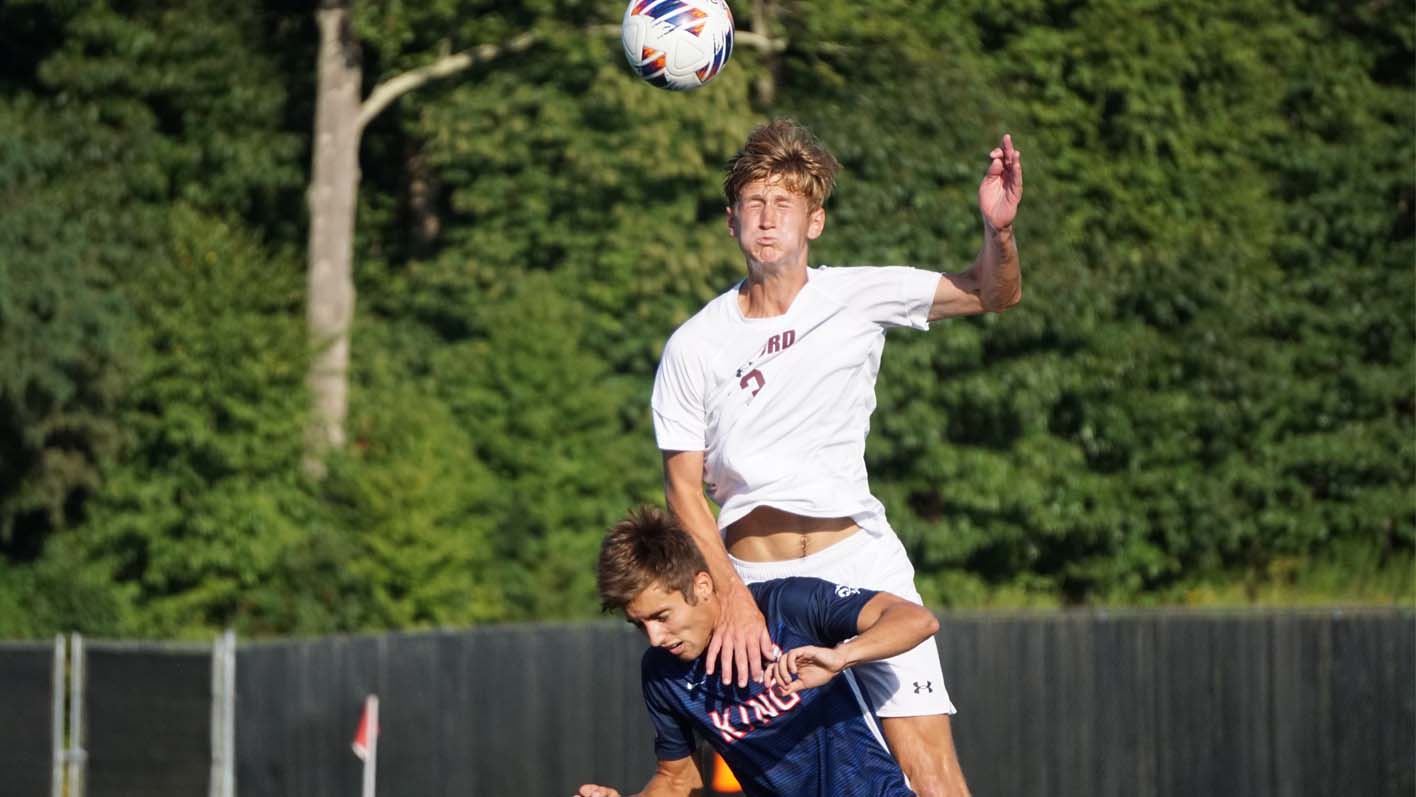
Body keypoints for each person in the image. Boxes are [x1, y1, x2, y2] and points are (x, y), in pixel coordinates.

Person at [650, 119, 1023, 797]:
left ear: (814, 221)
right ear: (732, 219)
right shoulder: (693, 344)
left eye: (784, 205)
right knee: (778, 781)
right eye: (754, 204)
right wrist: (731, 598)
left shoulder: (856, 294)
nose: (768, 220)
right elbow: (682, 488)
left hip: (858, 560)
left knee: (930, 772)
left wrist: (997, 233)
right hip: (752, 587)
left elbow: (991, 292)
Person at [575, 506, 940, 797]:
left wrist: (843, 656)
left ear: (702, 586)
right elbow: (677, 779)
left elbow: (916, 620)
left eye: (661, 616)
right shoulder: (661, 672)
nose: (654, 637)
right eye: (640, 624)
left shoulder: (786, 606)